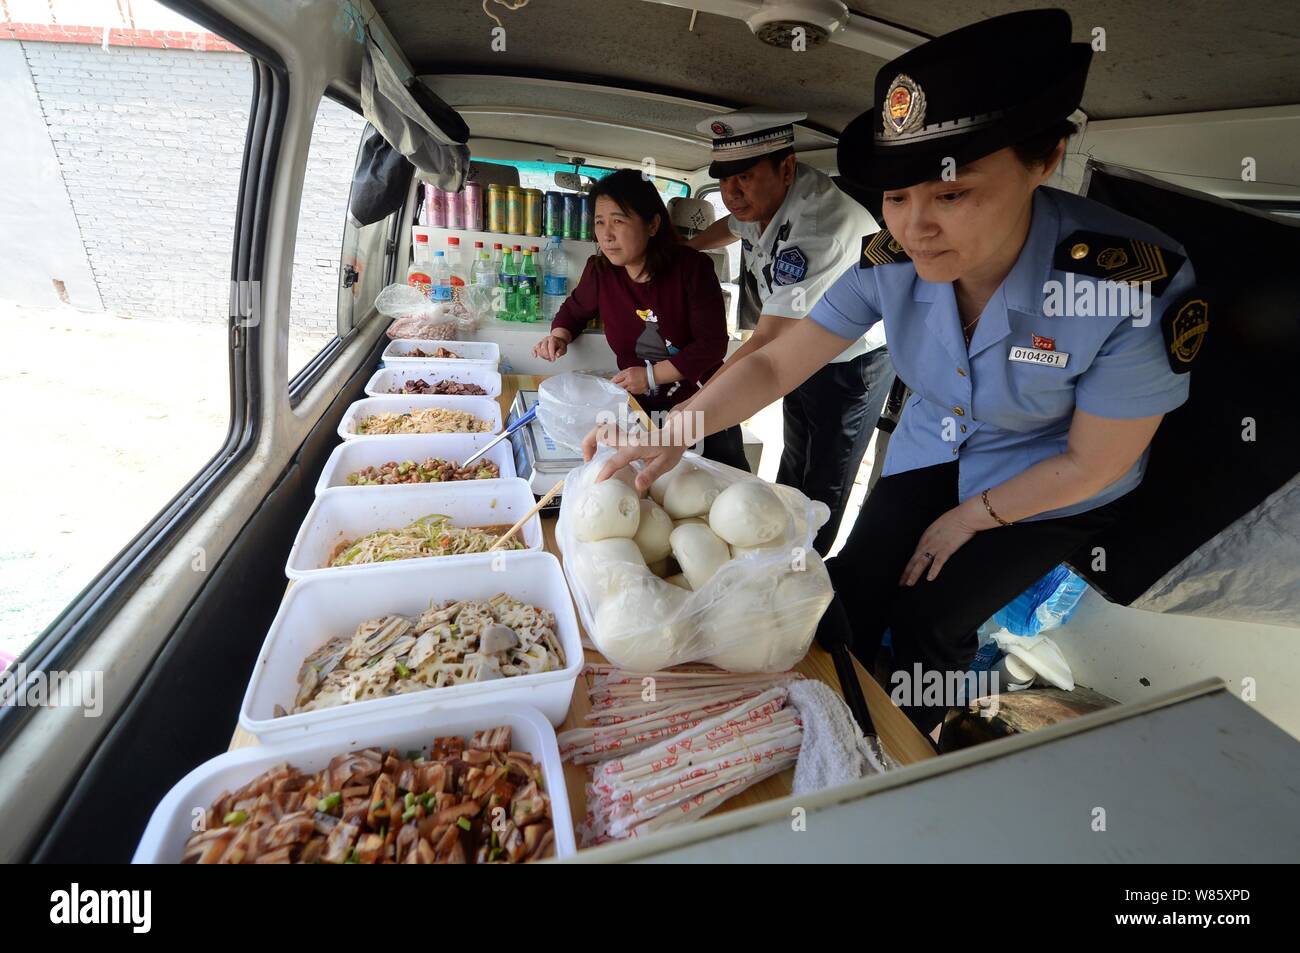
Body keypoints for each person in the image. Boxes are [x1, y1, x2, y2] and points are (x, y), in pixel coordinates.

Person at [583, 9, 1205, 734]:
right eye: (898, 196)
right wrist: (674, 428)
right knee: (845, 583)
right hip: (937, 438)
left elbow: (1093, 458)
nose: (916, 227)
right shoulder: (891, 260)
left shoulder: (1125, 284)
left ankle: (906, 751)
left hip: (1059, 480)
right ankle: (834, 720)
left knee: (934, 617)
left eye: (951, 194)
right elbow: (783, 356)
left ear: (1045, 160)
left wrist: (970, 518)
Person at [686, 110, 895, 554]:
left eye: (743, 178)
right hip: (804, 347)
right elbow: (732, 224)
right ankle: (771, 547)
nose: (731, 194)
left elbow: (766, 344)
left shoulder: (818, 229)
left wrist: (692, 410)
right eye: (723, 181)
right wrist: (684, 248)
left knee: (826, 477)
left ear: (786, 168)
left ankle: (804, 570)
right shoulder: (764, 199)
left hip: (853, 362)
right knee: (795, 454)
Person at [533, 169, 749, 470]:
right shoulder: (601, 271)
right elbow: (575, 310)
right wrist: (558, 336)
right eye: (599, 222)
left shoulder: (692, 270)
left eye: (618, 221)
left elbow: (711, 346)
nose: (606, 234)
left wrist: (650, 376)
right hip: (639, 409)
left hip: (700, 407)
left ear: (652, 225)